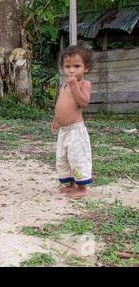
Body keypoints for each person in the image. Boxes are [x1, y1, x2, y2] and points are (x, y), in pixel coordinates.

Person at [51, 41, 93, 199]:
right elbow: (61, 104)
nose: (71, 70)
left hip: (76, 131)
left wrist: (75, 86)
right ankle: (70, 184)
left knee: (77, 158)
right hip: (64, 130)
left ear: (86, 68)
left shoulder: (84, 84)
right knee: (63, 157)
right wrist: (56, 119)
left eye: (76, 66)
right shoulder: (63, 85)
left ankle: (81, 187)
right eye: (67, 66)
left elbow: (83, 102)